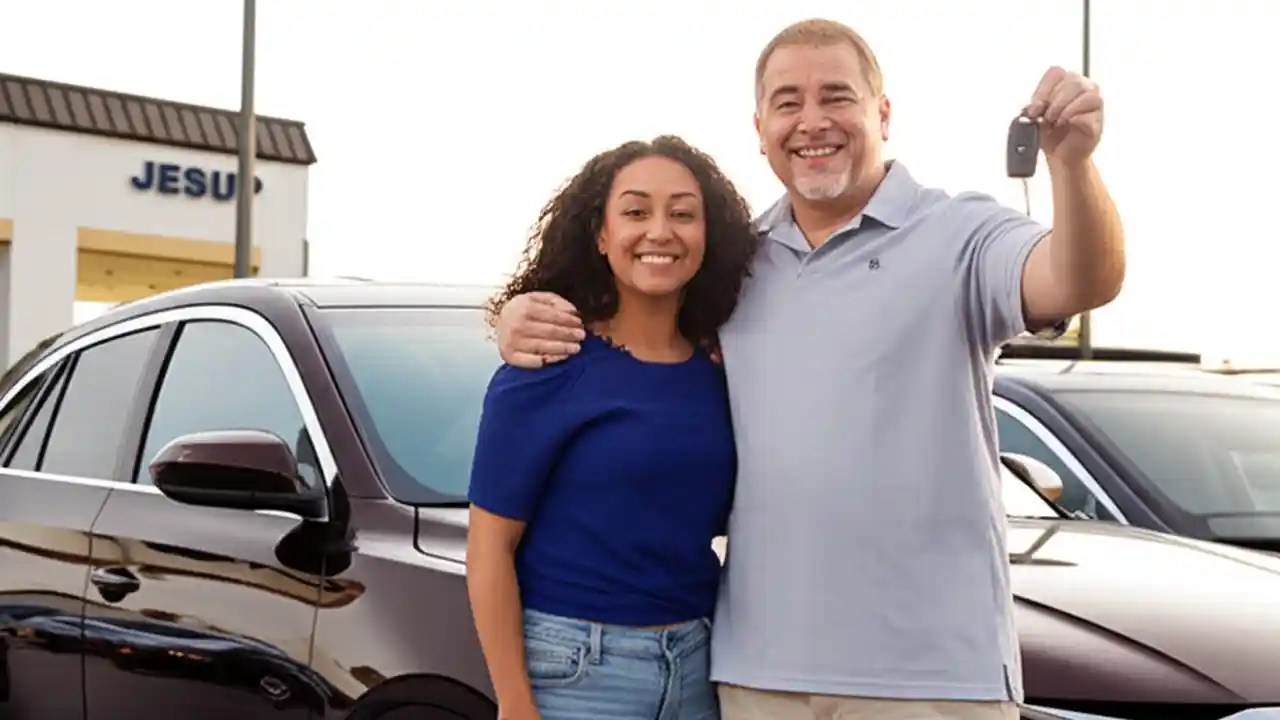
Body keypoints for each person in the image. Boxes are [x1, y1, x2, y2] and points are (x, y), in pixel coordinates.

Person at [491, 18, 1126, 720]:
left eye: (837, 97)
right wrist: (513, 315)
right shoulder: (736, 264)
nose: (812, 121)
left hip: (935, 680)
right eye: (788, 102)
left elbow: (1079, 281)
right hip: (759, 678)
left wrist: (1072, 166)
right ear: (760, 128)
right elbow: (636, 325)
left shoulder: (959, 235)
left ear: (882, 113)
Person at [466, 135, 759, 720]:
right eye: (634, 212)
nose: (659, 231)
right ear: (601, 235)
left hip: (700, 667)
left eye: (682, 213)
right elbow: (489, 549)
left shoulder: (725, 368)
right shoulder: (547, 368)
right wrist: (515, 704)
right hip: (576, 672)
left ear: (709, 235)